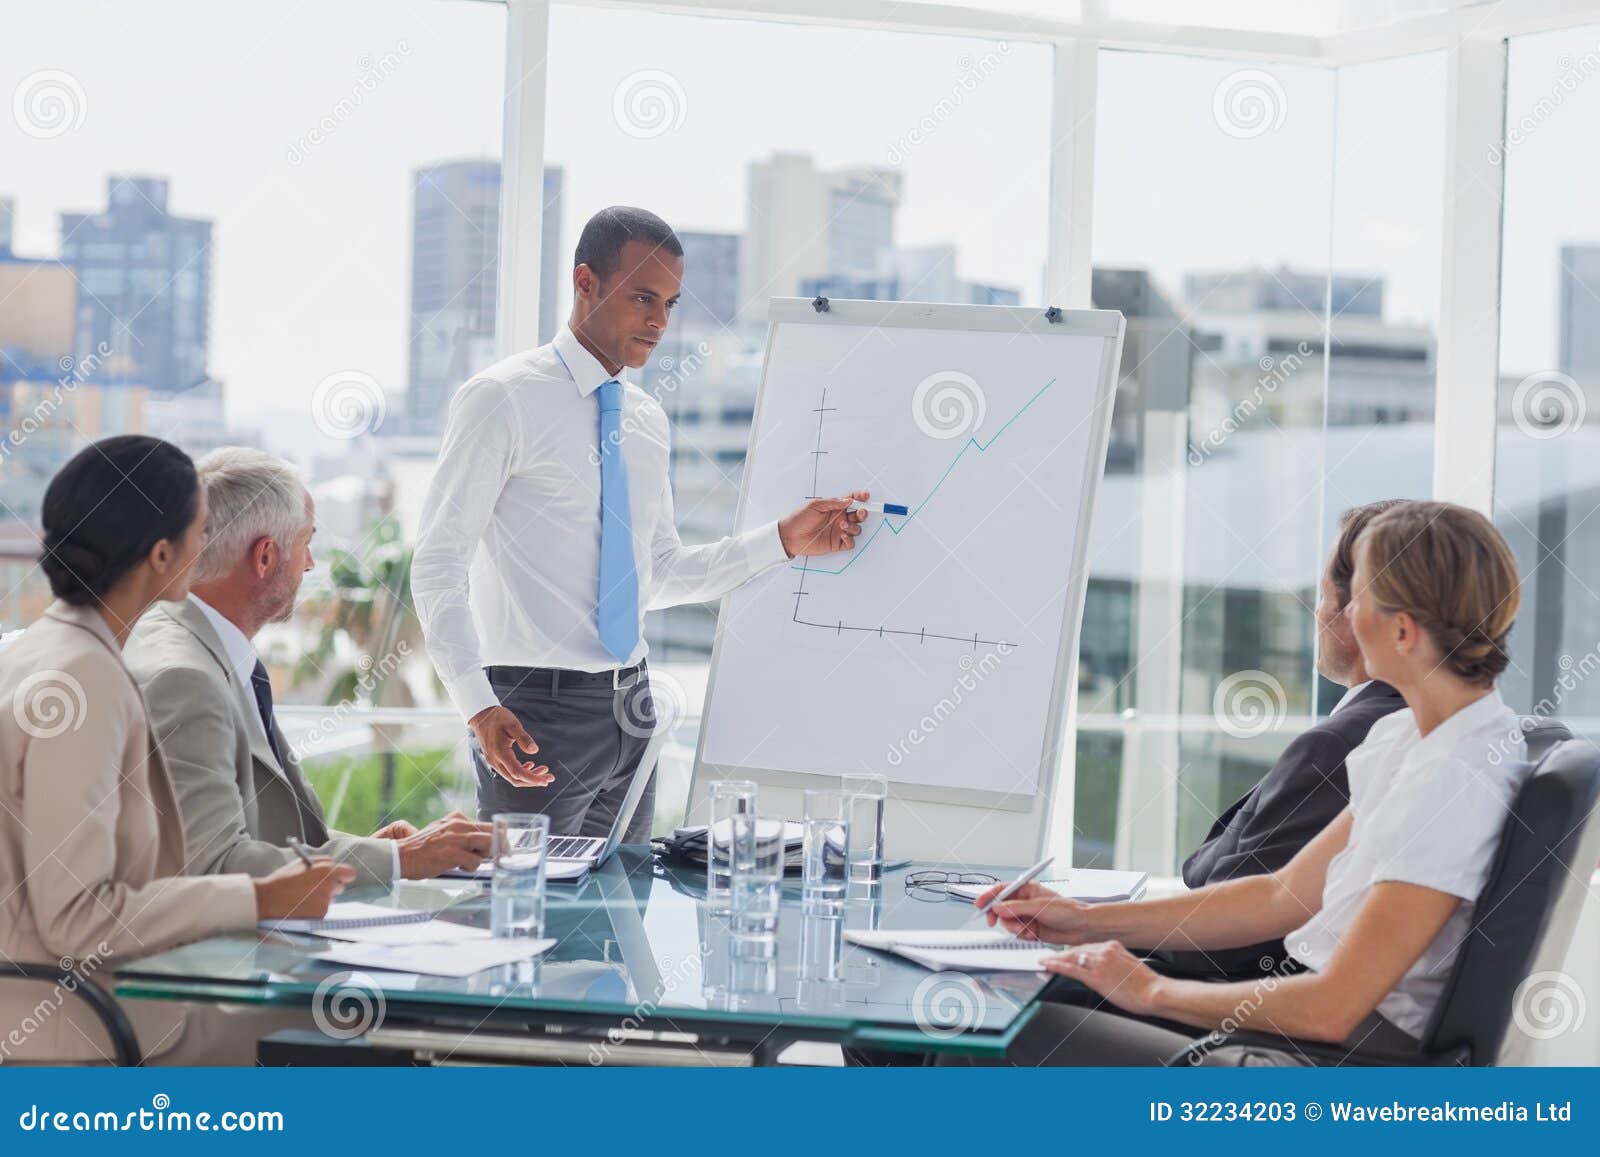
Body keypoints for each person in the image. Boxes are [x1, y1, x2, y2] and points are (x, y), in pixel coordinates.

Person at [962, 500, 1529, 1065]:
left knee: (1003, 1031)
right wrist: (1082, 922)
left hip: (1336, 1057)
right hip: (1310, 1030)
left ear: (1402, 630)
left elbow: (1335, 1007)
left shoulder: (1455, 778)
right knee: (1026, 1000)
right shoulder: (1409, 736)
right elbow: (1280, 895)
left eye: (1357, 597)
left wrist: (1149, 989)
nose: (1344, 613)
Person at [414, 205, 870, 833]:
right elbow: (438, 562)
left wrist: (782, 542)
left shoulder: (647, 420)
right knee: (531, 922)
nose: (659, 323)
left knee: (622, 924)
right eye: (643, 298)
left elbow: (657, 575)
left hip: (634, 710)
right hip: (533, 714)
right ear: (585, 283)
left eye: (671, 304)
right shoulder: (501, 399)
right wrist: (476, 705)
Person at [0, 436, 351, 1065]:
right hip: (79, 1032)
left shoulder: (38, 649)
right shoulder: (86, 679)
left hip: (75, 1004)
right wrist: (259, 898)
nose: (208, 545)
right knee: (351, 1018)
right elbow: (76, 917)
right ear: (162, 554)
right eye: (199, 530)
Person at [125, 447, 492, 884]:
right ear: (264, 557)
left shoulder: (197, 645)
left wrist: (385, 853)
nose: (311, 563)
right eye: (306, 542)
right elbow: (216, 866)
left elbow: (270, 837)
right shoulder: (184, 679)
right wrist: (402, 861)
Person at [1153, 499, 1406, 980]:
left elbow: (1212, 942)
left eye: (1321, 593)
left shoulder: (1342, 745)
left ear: (1356, 611)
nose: (1317, 611)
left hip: (1226, 998)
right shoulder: (1406, 728)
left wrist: (1089, 932)